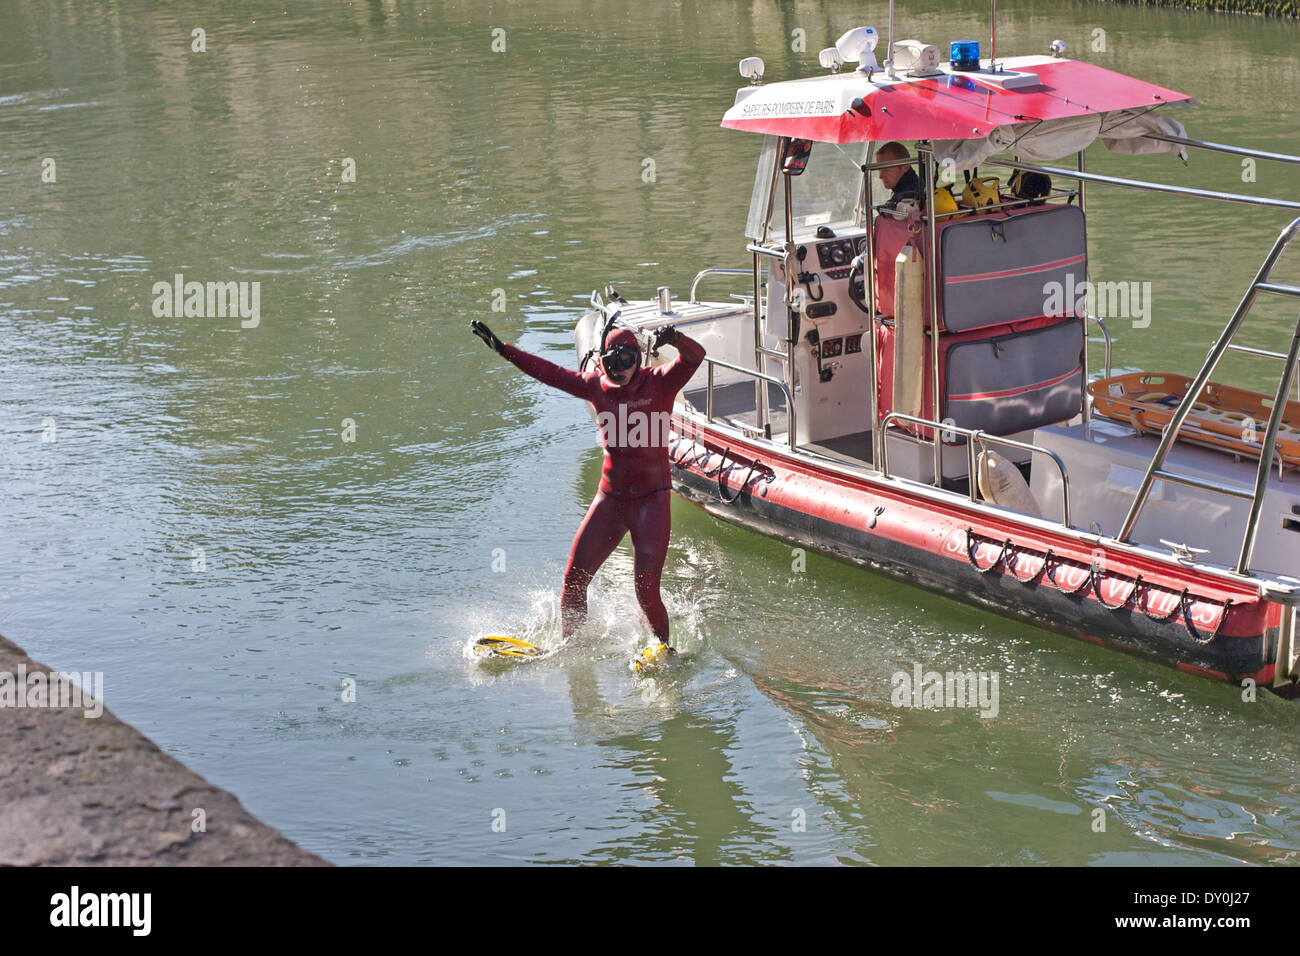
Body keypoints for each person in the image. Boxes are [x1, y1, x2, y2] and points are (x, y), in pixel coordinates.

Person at [470, 317, 706, 650]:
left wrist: (677, 338)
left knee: (646, 588)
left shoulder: (661, 382)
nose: (620, 370)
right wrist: (504, 350)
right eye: (613, 363)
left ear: (638, 359)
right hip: (610, 500)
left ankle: (663, 649)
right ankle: (571, 646)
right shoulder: (595, 386)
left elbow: (696, 356)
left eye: (627, 361)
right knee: (574, 580)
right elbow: (549, 373)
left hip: (651, 502)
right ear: (602, 362)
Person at [875, 141, 923, 211]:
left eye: (886, 170)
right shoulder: (915, 185)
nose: (880, 176)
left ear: (905, 167)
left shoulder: (908, 197)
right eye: (879, 170)